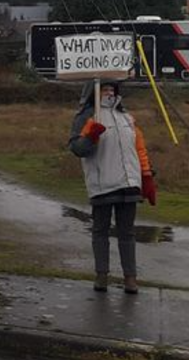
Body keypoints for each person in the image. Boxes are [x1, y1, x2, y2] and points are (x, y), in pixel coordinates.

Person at [68, 82, 156, 294]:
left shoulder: (127, 117)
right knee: (101, 232)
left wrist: (146, 176)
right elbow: (77, 149)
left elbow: (139, 149)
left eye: (112, 89)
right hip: (103, 185)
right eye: (104, 89)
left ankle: (130, 278)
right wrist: (90, 136)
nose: (109, 93)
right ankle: (102, 276)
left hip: (129, 185)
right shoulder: (87, 117)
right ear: (94, 92)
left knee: (127, 233)